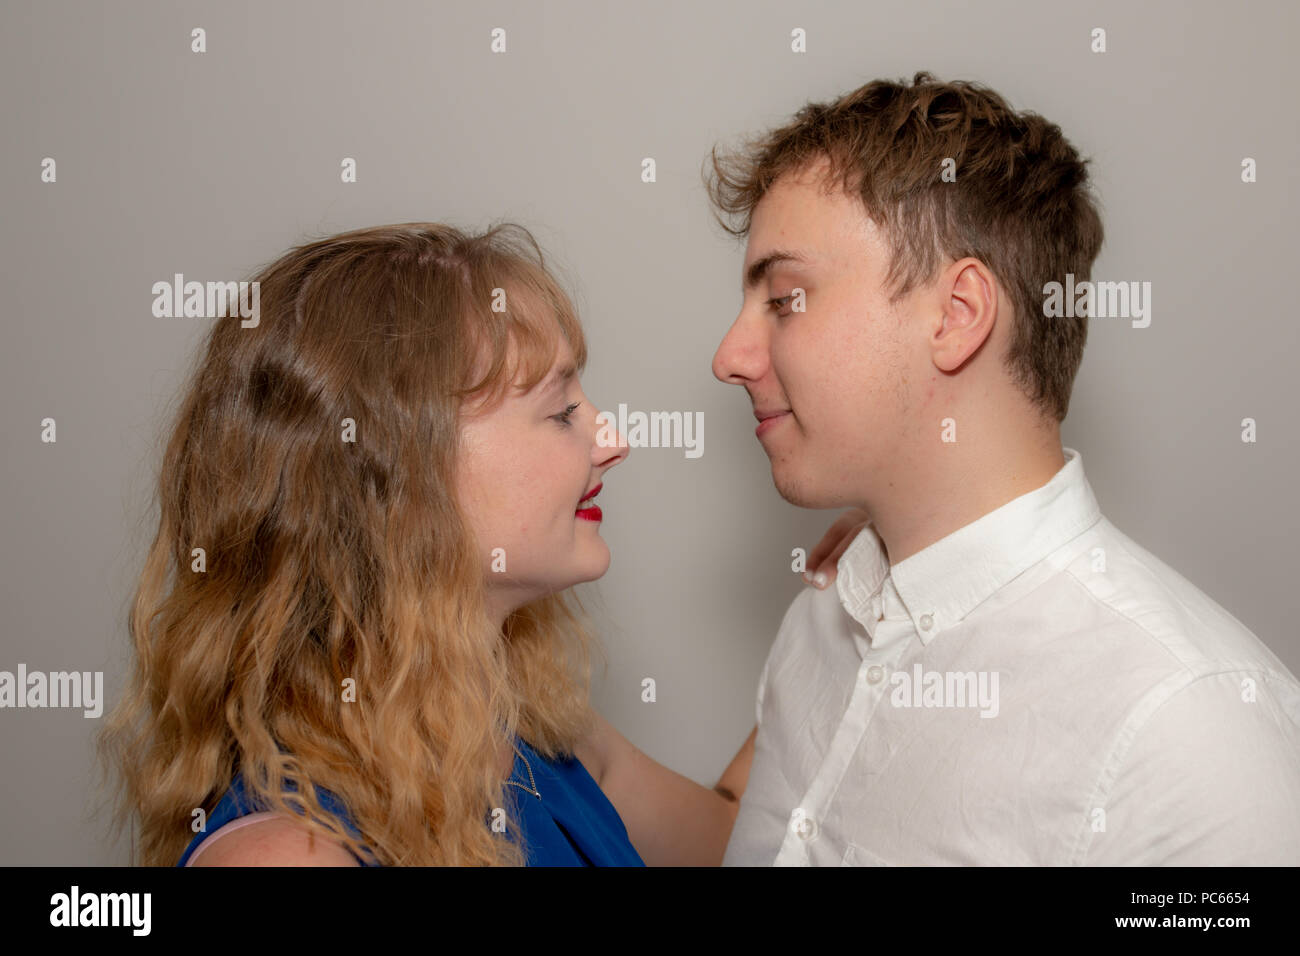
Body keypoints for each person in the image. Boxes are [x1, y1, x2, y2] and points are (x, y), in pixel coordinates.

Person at [98, 221, 856, 866]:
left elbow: (734, 831)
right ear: (397, 475)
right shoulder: (285, 854)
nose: (612, 441)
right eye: (561, 411)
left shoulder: (533, 732)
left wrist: (863, 591)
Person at [690, 71, 1300, 865]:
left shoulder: (1189, 738)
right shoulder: (823, 622)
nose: (728, 358)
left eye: (785, 298)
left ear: (957, 315)